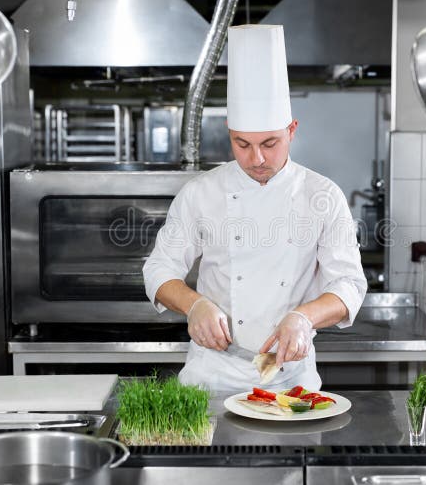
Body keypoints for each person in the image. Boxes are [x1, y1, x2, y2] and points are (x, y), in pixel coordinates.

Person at [143, 24, 367, 392]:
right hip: (210, 376)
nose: (257, 157)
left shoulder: (322, 195)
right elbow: (158, 269)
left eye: (270, 143)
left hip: (290, 378)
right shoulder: (201, 193)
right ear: (230, 132)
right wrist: (194, 305)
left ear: (292, 130)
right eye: (242, 144)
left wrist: (303, 317)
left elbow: (348, 285)